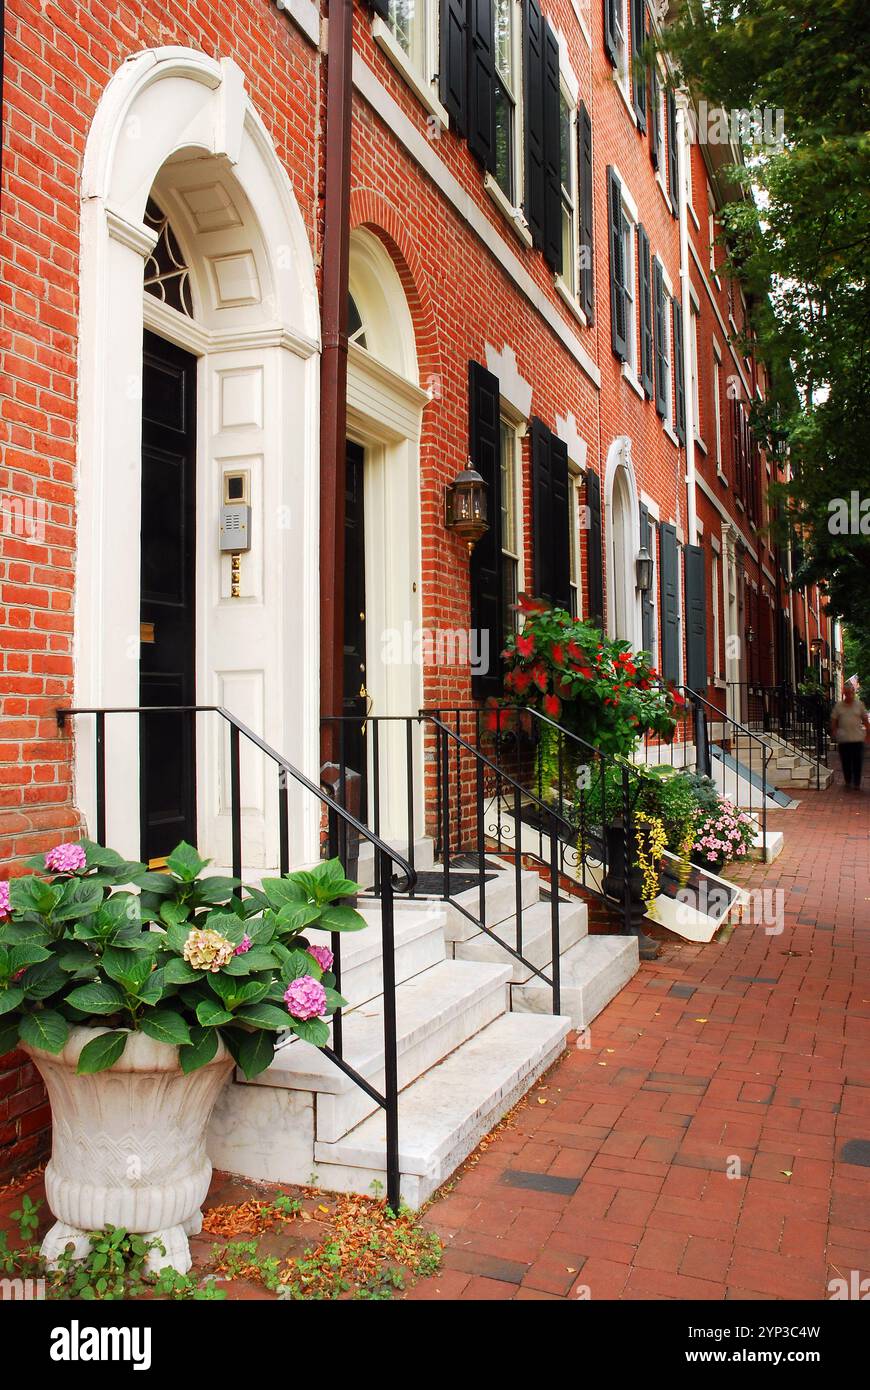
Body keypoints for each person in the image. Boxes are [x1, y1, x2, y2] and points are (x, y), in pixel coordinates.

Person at [831, 683, 869, 790]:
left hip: (857, 739)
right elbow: (834, 720)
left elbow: (865, 720)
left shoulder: (859, 705)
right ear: (844, 693)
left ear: (853, 693)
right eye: (846, 693)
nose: (848, 695)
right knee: (846, 762)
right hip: (844, 739)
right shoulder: (839, 706)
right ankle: (848, 781)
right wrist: (834, 731)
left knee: (857, 762)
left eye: (850, 693)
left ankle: (856, 783)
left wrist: (868, 734)